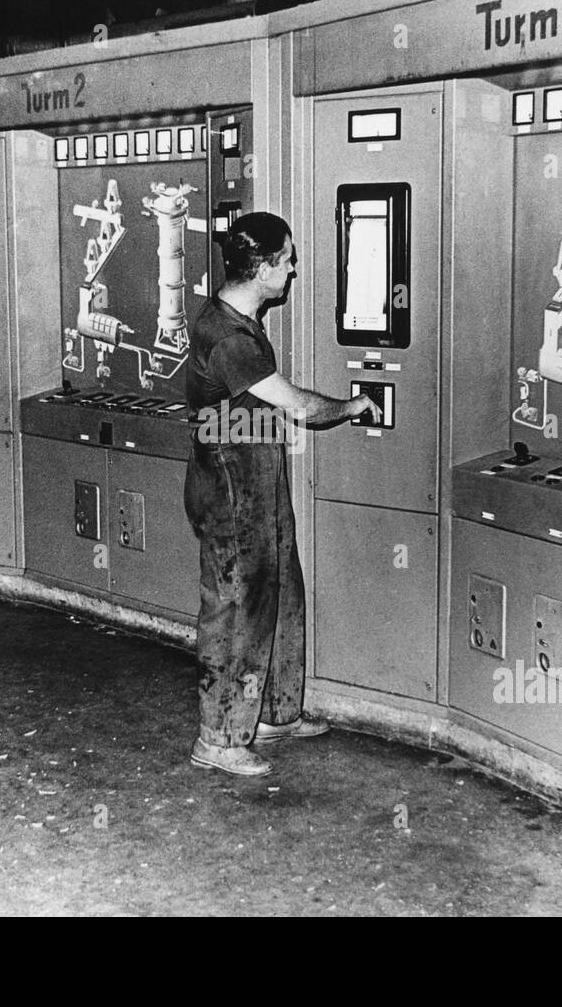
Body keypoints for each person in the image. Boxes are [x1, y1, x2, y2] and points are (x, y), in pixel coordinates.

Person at [184, 212, 381, 776]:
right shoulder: (226, 336)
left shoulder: (239, 319)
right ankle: (218, 738)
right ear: (265, 267)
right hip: (230, 488)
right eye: (288, 259)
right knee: (236, 607)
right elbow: (297, 405)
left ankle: (274, 712)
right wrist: (351, 406)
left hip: (257, 477)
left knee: (279, 594)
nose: (294, 268)